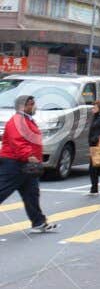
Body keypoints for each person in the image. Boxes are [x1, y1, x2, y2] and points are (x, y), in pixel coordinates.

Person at [0, 95, 53, 234]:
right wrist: (29, 156)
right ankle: (39, 222)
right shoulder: (17, 121)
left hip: (26, 164)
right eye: (31, 104)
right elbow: (18, 142)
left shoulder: (27, 120)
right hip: (14, 164)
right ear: (23, 106)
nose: (34, 106)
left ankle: (39, 223)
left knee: (31, 194)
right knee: (2, 191)